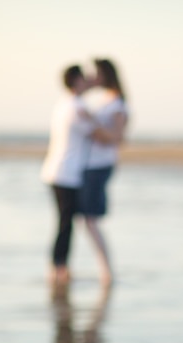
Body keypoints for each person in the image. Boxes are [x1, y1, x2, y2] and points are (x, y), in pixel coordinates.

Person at [41, 64, 94, 285]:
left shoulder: (63, 103)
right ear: (75, 81)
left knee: (64, 221)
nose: (87, 81)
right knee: (65, 222)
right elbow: (99, 133)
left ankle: (58, 266)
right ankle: (59, 268)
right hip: (66, 173)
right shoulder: (77, 106)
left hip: (56, 170)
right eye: (83, 78)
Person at [80, 58, 128, 285]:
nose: (92, 78)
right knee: (87, 219)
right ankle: (105, 269)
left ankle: (106, 271)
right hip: (90, 164)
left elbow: (117, 138)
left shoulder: (117, 102)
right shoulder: (103, 99)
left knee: (90, 219)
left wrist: (91, 125)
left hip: (100, 166)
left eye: (95, 74)